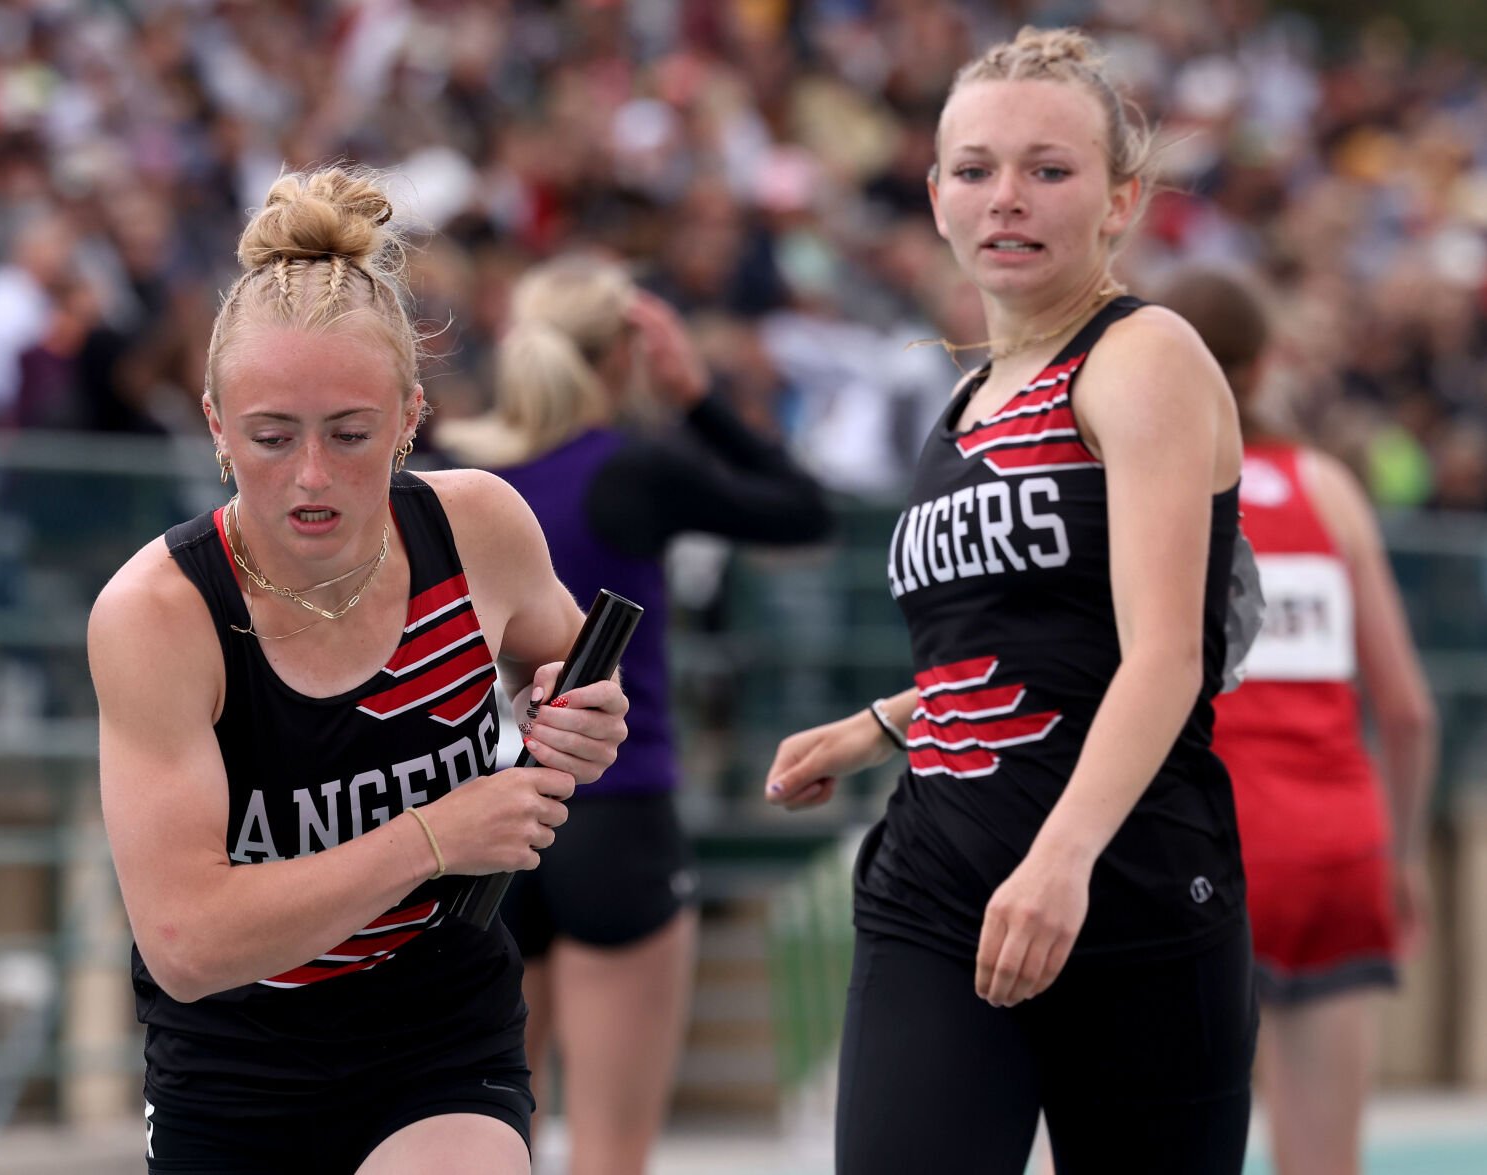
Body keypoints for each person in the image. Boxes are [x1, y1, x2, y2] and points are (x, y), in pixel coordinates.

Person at [762, 27, 1257, 1174]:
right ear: (934, 196)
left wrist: (1058, 859)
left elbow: (1161, 654)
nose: (1007, 198)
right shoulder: (961, 401)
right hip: (936, 883)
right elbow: (1020, 643)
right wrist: (883, 721)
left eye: (1048, 169)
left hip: (1124, 882)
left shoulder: (1141, 357)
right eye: (975, 169)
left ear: (1118, 199)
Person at [87, 165, 630, 1175]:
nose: (310, 477)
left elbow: (566, 667)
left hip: (437, 1021)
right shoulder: (159, 613)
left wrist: (580, 713)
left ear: (410, 415)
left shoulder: (476, 528)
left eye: (350, 435)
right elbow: (189, 943)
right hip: (236, 1053)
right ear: (213, 424)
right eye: (269, 436)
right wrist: (432, 834)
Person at [437, 254, 832, 1175]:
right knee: (611, 1156)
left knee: (485, 1144)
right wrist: (697, 399)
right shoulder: (633, 468)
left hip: (482, 815)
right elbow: (805, 512)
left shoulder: (454, 473)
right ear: (624, 357)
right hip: (617, 811)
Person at [1158, 265, 1437, 1175]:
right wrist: (1399, 858)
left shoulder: (1140, 489)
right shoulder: (1327, 487)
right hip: (1333, 849)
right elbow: (1406, 712)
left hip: (1194, 852)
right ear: (1266, 361)